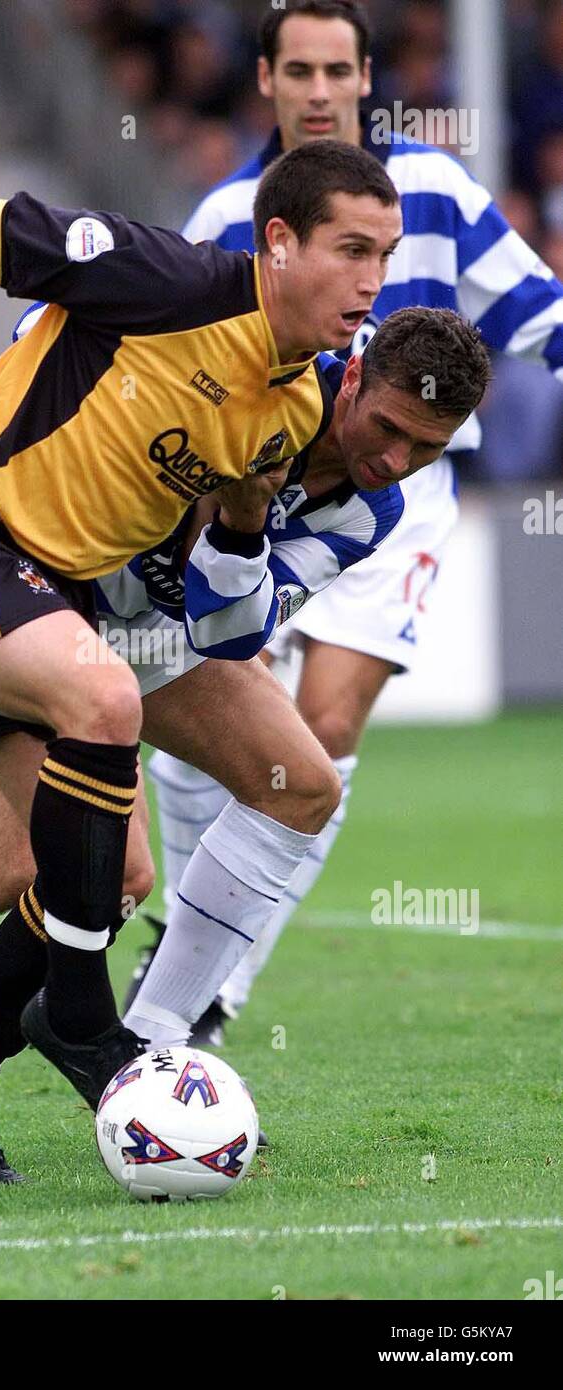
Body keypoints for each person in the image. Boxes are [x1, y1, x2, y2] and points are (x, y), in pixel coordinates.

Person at [0, 308, 492, 1184]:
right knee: (24, 869)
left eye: (427, 448)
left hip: (149, 640)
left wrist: (239, 522)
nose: (395, 459)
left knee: (302, 785)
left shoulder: (372, 506)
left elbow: (229, 629)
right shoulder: (252, 375)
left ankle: (143, 1062)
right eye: (388, 428)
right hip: (25, 600)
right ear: (352, 378)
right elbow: (48, 328)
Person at [135, 0, 563, 1046]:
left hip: (396, 497)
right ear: (267, 83)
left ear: (366, 77)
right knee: (204, 750)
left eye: (337, 69)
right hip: (251, 486)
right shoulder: (219, 220)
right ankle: (180, 953)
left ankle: (209, 993)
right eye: (299, 71)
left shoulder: (434, 188)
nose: (319, 91)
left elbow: (539, 315)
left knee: (319, 734)